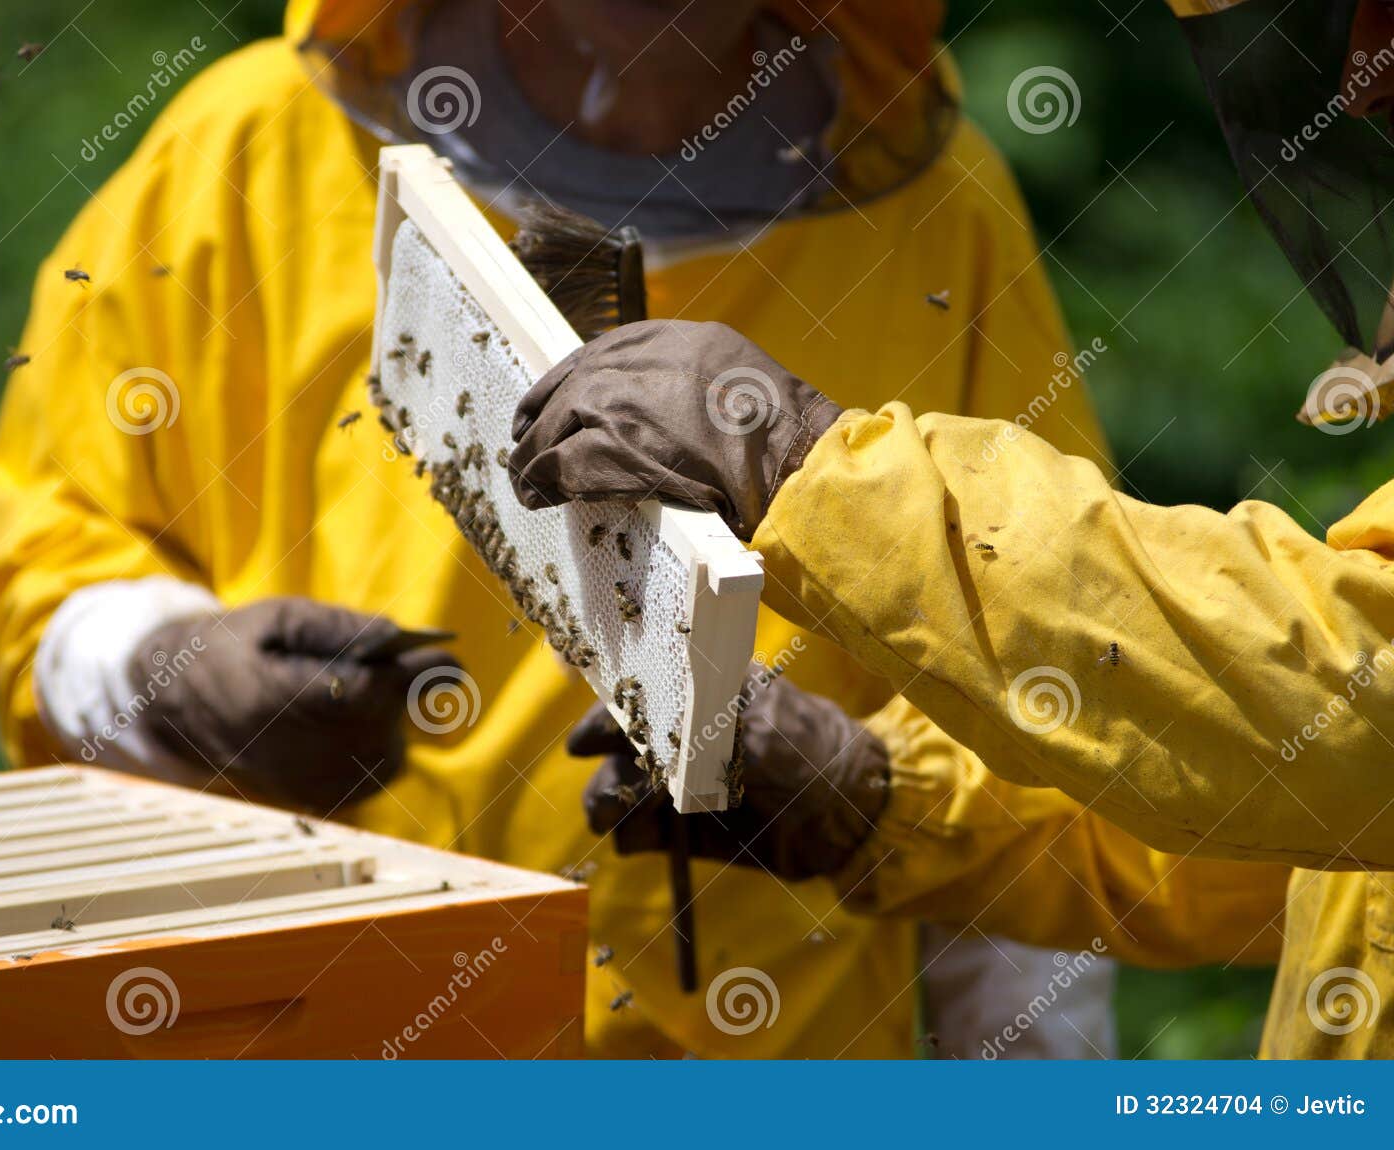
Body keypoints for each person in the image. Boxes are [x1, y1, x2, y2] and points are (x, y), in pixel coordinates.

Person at [0, 0, 1282, 1059]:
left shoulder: (940, 214)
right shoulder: (247, 151)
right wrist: (172, 669)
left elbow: (1058, 713)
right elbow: (50, 554)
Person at [506, 0, 1394, 1058]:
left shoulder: (939, 200)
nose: (1362, 83)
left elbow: (1343, 711)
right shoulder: (264, 129)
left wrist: (800, 463)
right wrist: (882, 798)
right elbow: (1274, 801)